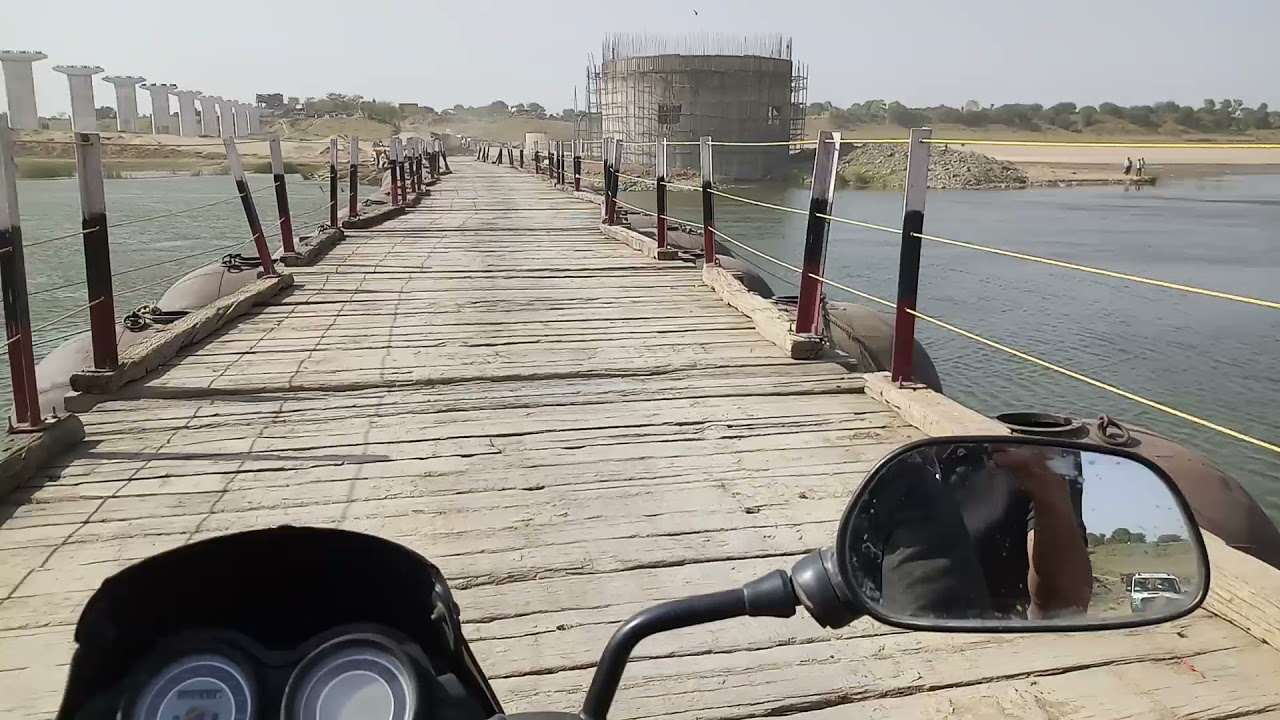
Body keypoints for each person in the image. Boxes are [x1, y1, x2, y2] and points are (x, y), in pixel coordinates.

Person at [938, 443, 1093, 619]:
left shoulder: (1042, 445)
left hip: (1009, 639)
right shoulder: (913, 459)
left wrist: (1050, 492)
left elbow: (1064, 609)